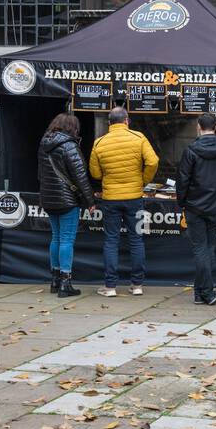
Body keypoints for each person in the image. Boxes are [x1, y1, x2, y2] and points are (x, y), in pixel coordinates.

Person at [89, 107, 159, 298]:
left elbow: (95, 173)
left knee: (111, 240)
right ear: (127, 121)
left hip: (110, 199)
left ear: (109, 123)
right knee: (136, 239)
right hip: (135, 199)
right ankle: (137, 285)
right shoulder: (139, 138)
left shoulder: (99, 143)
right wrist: (143, 181)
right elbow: (153, 162)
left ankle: (110, 287)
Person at [176, 113, 216, 307]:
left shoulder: (190, 150)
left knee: (201, 248)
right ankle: (200, 293)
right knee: (209, 248)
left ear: (199, 127)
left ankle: (205, 293)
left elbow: (183, 179)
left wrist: (181, 202)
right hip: (215, 204)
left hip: (194, 205)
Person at [38, 112, 96, 299]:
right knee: (67, 240)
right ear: (73, 127)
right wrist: (90, 201)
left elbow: (40, 174)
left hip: (48, 198)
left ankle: (54, 279)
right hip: (67, 200)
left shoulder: (44, 143)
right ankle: (65, 282)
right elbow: (80, 176)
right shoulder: (70, 146)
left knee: (56, 238)